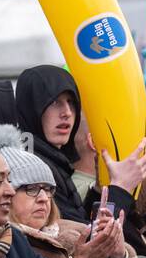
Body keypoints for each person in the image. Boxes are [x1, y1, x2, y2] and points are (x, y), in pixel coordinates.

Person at [14, 66, 90, 224]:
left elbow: (80, 219)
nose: (67, 113)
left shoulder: (57, 161)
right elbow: (80, 237)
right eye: (55, 102)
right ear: (32, 107)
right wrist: (120, 187)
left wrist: (99, 191)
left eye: (71, 102)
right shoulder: (30, 165)